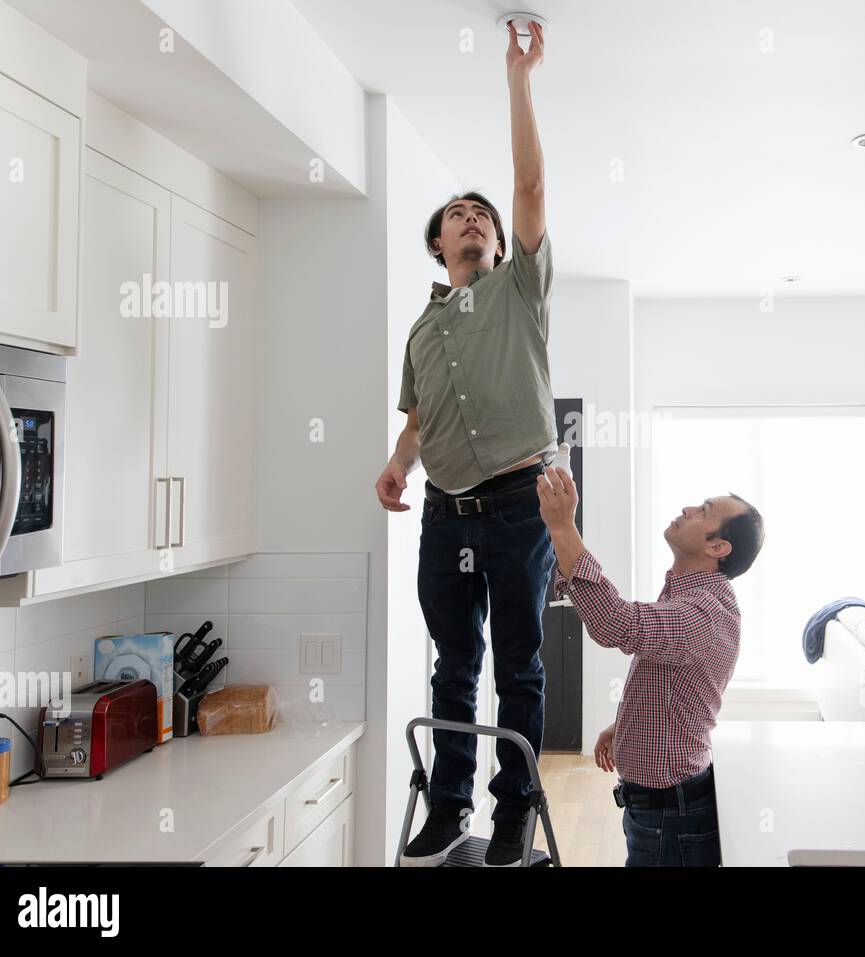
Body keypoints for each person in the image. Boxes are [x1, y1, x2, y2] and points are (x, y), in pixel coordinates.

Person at [378, 20, 558, 867]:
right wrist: (394, 463)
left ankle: (513, 811)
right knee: (455, 663)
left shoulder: (520, 290)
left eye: (480, 211)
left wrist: (518, 78)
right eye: (458, 213)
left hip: (521, 509)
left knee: (517, 668)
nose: (474, 215)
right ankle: (448, 805)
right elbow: (418, 418)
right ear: (439, 244)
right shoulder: (421, 327)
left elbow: (528, 182)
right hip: (447, 516)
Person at [536, 466, 765, 867]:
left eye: (704, 510)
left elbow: (615, 624)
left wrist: (562, 526)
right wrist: (624, 726)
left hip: (671, 817)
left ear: (717, 547)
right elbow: (668, 678)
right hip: (661, 810)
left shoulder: (705, 612)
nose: (688, 508)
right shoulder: (688, 595)